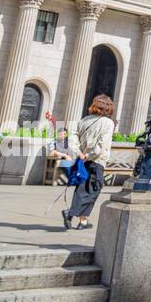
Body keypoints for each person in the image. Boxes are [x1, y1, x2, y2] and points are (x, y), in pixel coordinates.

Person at [62, 95, 116, 231]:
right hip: (96, 161)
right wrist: (88, 155)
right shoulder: (108, 123)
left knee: (82, 189)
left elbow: (73, 137)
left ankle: (83, 222)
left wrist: (79, 152)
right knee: (94, 190)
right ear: (108, 108)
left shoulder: (84, 120)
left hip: (83, 161)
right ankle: (71, 212)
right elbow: (102, 145)